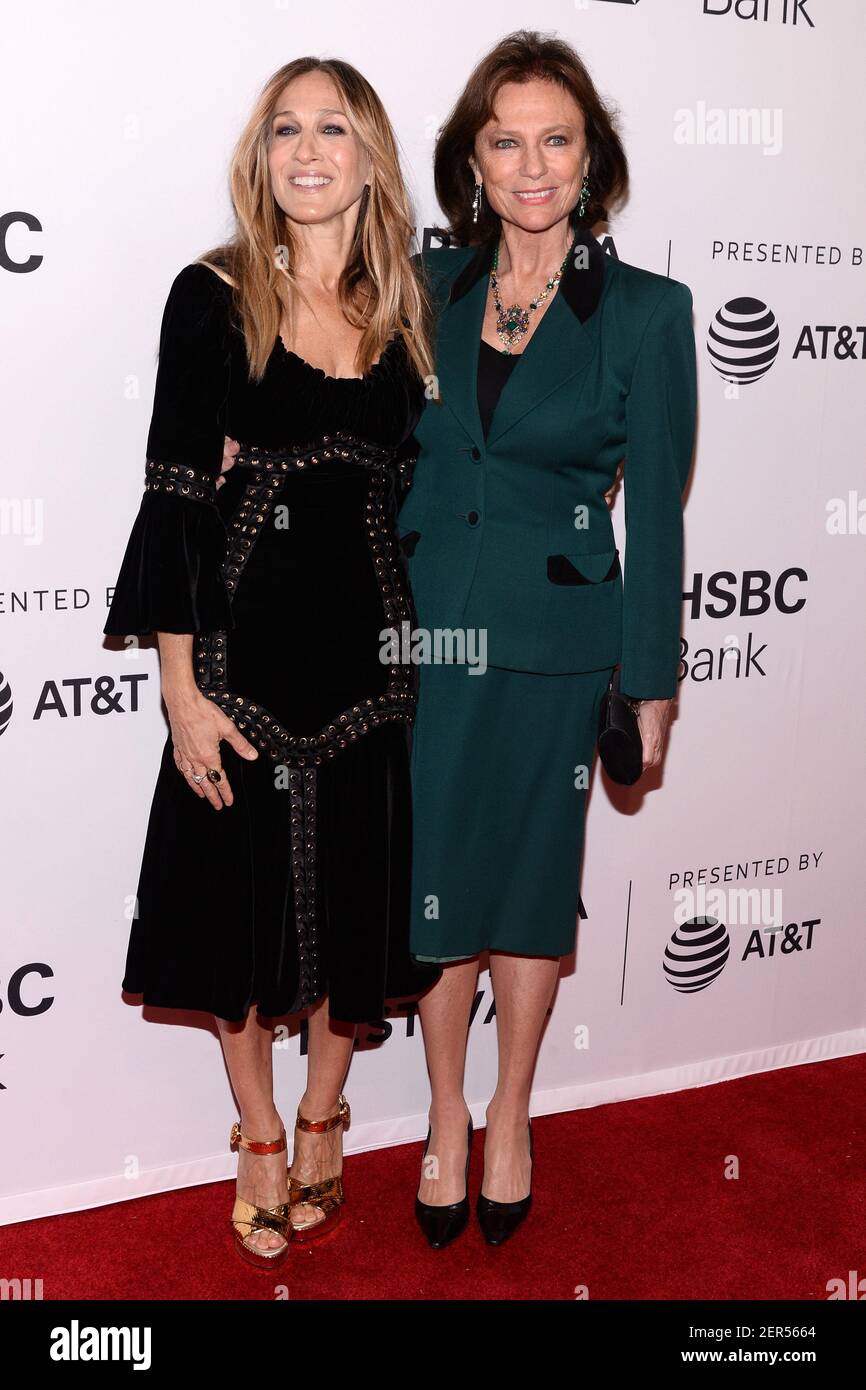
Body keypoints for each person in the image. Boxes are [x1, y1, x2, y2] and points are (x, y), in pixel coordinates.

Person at [103, 56, 439, 1268]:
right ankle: (255, 1132)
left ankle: (322, 1115)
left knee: (352, 908)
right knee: (238, 921)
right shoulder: (211, 295)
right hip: (239, 669)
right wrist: (180, 691)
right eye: (285, 129)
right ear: (262, 156)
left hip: (374, 671)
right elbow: (178, 497)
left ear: (368, 156)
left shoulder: (410, 306)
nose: (308, 149)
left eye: (333, 128)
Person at [399, 30, 698, 1247]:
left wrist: (651, 678)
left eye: (555, 139)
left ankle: (511, 1110)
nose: (531, 165)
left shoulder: (646, 312)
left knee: (526, 886)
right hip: (422, 637)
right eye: (505, 139)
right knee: (432, 892)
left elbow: (662, 510)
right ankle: (439, 1113)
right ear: (472, 158)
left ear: (592, 158)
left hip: (559, 640)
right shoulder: (423, 289)